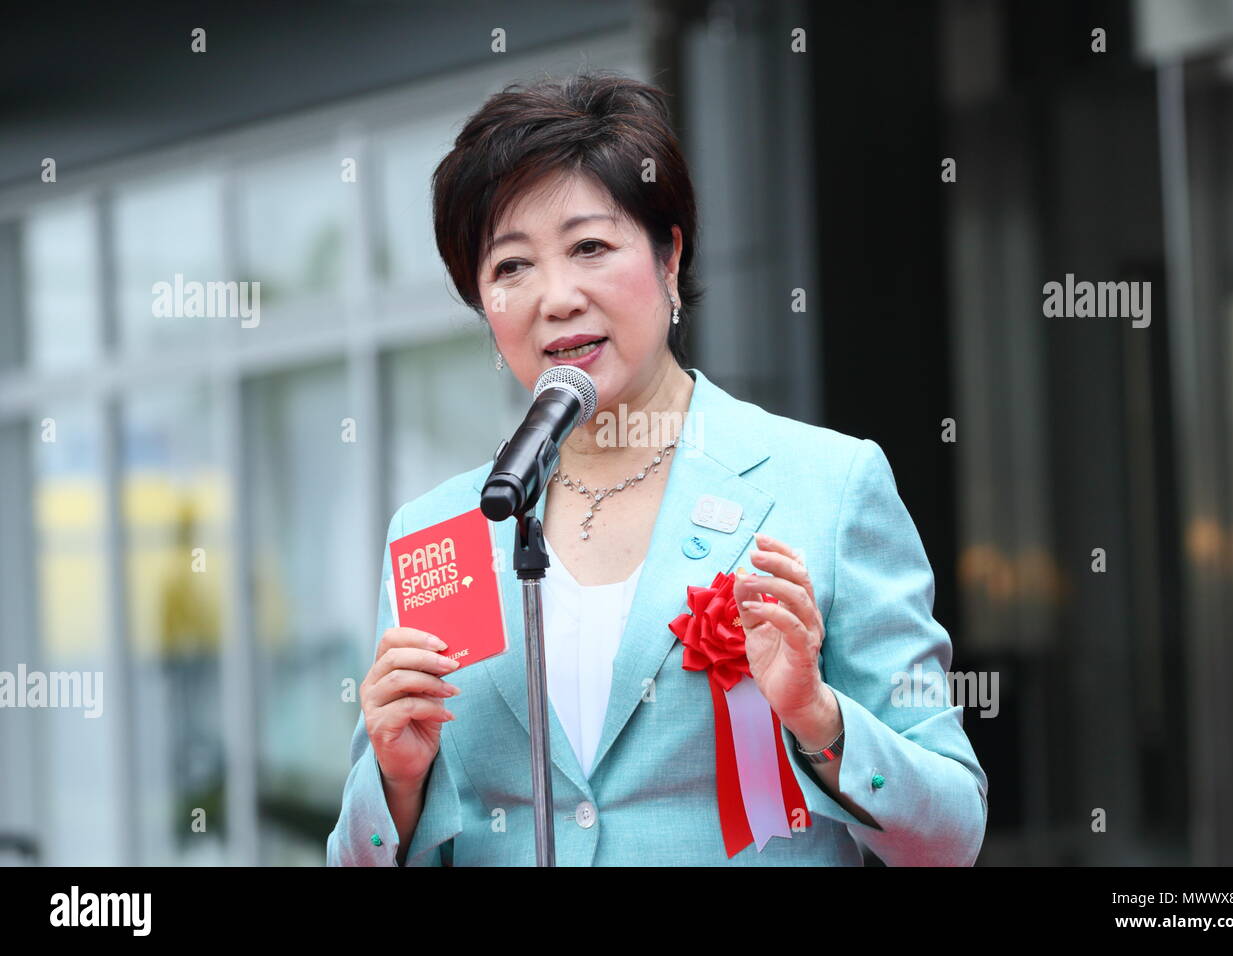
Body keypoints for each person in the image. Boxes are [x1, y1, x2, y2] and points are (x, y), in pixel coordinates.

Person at [326, 69, 987, 866]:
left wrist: (818, 718)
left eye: (590, 247)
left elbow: (952, 833)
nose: (556, 296)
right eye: (510, 267)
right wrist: (395, 785)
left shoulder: (827, 486)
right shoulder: (444, 531)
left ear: (670, 259)